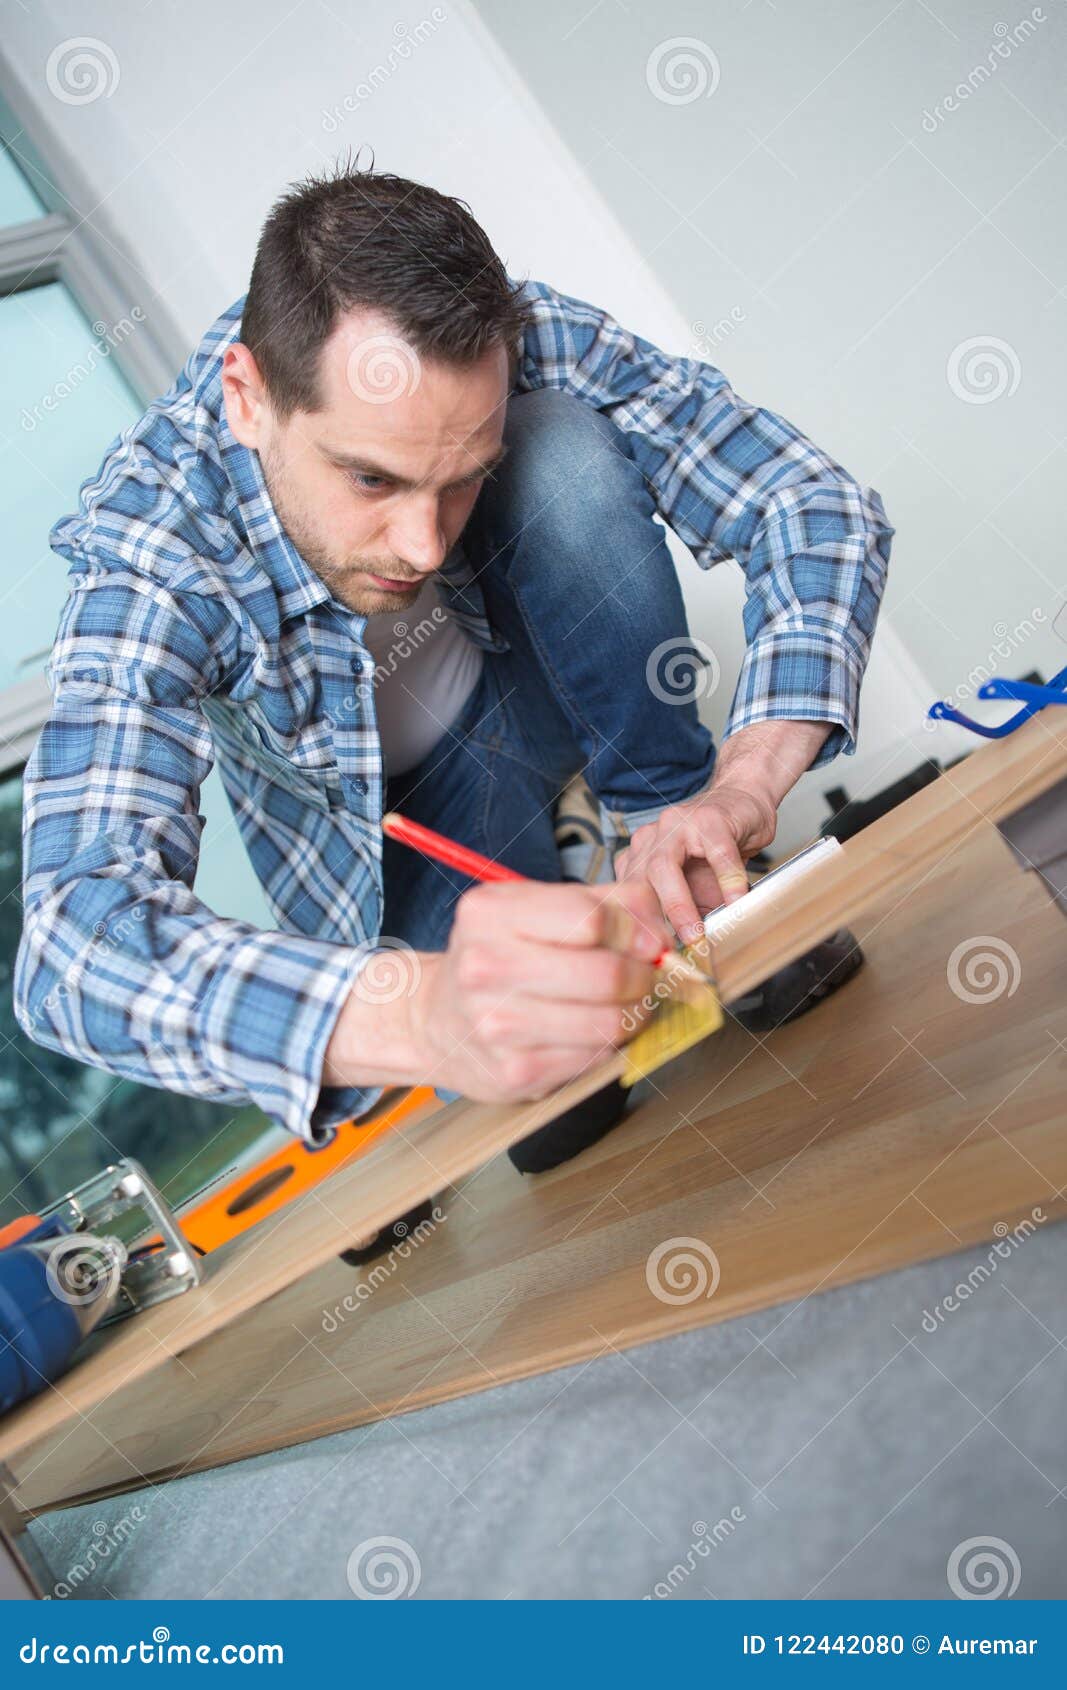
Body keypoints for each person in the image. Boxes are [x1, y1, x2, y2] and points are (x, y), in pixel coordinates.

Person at [15, 160, 893, 1198]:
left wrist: (741, 786)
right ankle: (611, 948)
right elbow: (74, 943)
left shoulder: (517, 337)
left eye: (461, 481)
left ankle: (676, 856)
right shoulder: (157, 548)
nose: (423, 546)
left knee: (558, 453)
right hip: (407, 828)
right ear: (247, 399)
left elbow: (809, 504)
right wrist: (423, 1014)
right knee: (563, 1097)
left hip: (548, 689)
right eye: (371, 478)